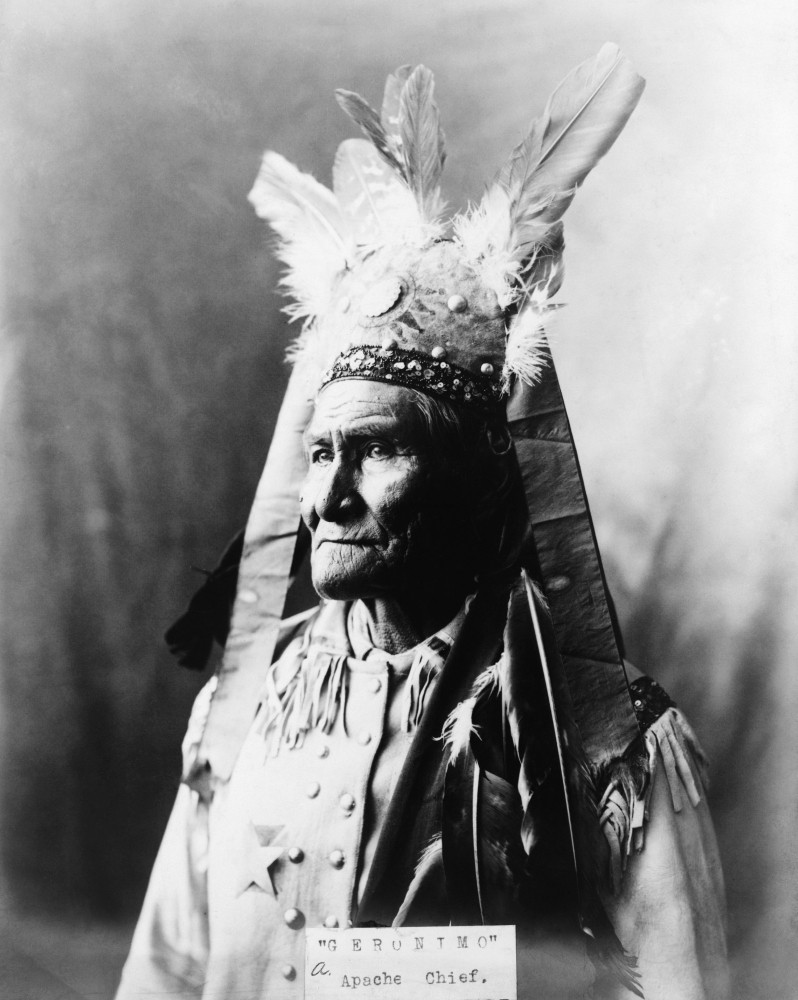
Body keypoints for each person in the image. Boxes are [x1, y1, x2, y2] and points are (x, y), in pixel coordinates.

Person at [116, 46, 728, 1000]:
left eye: (377, 452)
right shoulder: (243, 712)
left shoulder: (609, 744)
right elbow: (163, 978)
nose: (331, 496)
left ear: (473, 480)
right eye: (322, 454)